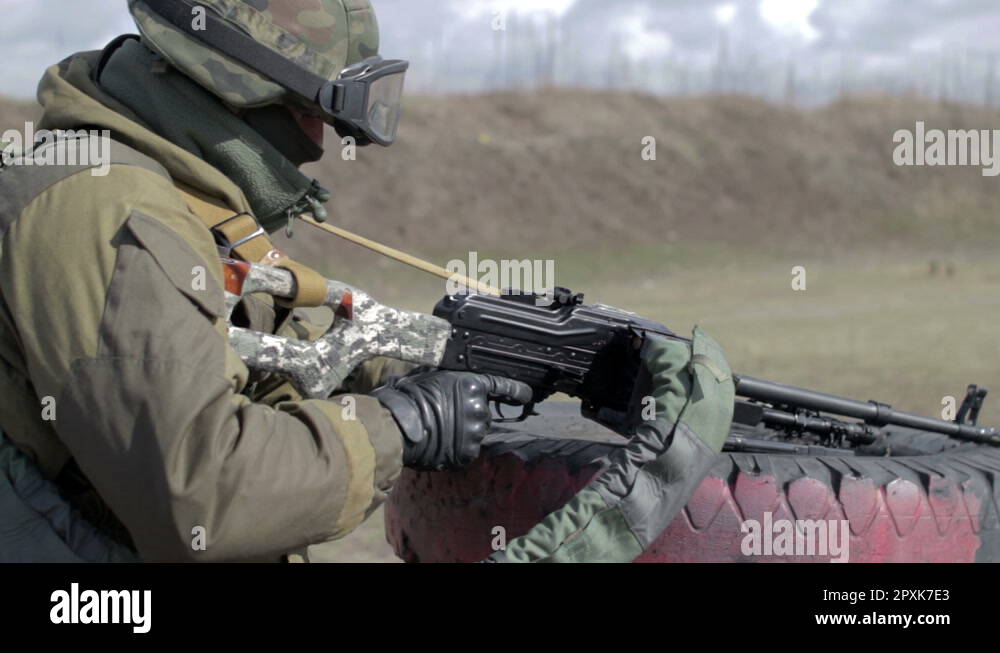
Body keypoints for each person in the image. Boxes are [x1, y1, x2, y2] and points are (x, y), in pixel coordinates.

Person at [0, 0, 534, 562]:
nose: (319, 145)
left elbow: (252, 367)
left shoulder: (176, 196)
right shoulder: (111, 210)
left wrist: (421, 366)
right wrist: (397, 426)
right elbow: (204, 493)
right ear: (237, 89)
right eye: (309, 112)